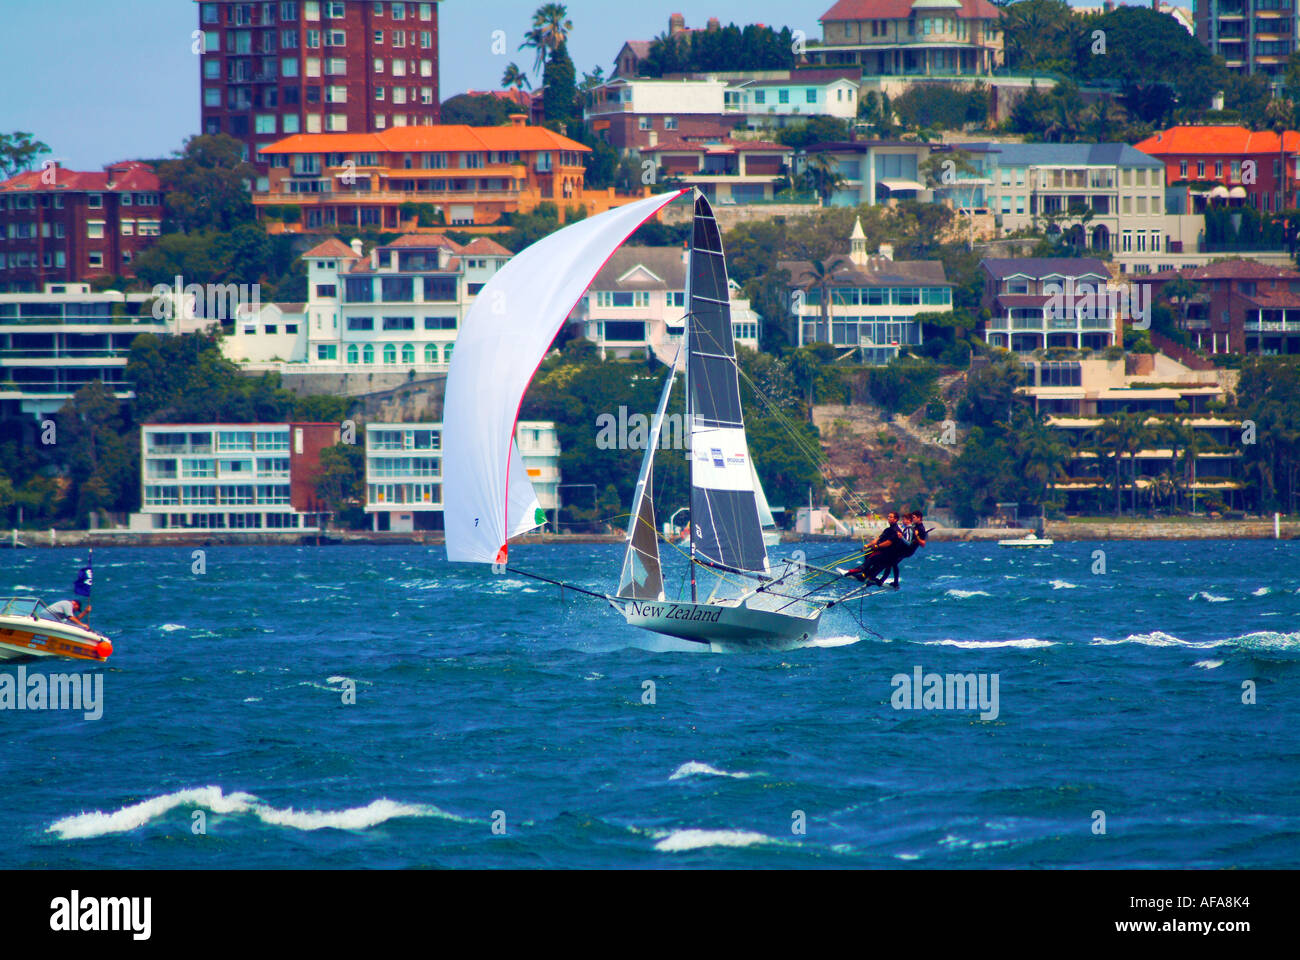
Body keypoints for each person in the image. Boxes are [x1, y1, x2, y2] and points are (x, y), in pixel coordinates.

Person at [839, 511, 903, 583]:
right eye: (888, 516)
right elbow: (878, 539)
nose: (889, 518)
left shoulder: (896, 531)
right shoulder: (887, 529)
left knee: (870, 560)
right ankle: (864, 576)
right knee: (868, 555)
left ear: (896, 519)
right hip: (882, 552)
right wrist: (868, 545)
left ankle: (848, 572)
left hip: (887, 555)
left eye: (891, 517)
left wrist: (877, 546)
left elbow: (888, 542)